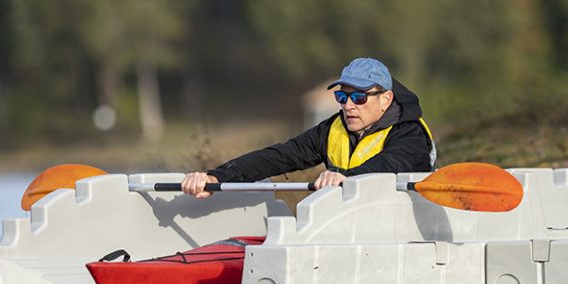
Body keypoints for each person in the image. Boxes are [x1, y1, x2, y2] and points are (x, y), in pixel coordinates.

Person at [181, 57, 435, 197]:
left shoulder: (410, 134)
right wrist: (216, 177)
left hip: (403, 234)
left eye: (359, 98)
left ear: (385, 100)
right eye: (342, 97)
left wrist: (347, 177)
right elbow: (278, 157)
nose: (348, 106)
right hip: (353, 231)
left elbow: (389, 164)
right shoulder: (332, 129)